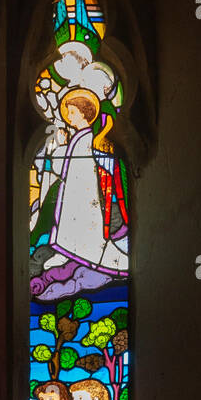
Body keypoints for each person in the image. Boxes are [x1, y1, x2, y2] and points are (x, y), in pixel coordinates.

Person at [42, 88, 128, 275]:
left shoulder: (87, 139)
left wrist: (61, 147)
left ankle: (80, 252)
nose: (69, 117)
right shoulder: (79, 137)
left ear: (84, 114)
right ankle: (65, 250)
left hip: (85, 196)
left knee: (82, 223)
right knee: (68, 221)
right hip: (74, 193)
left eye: (72, 112)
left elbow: (65, 168)